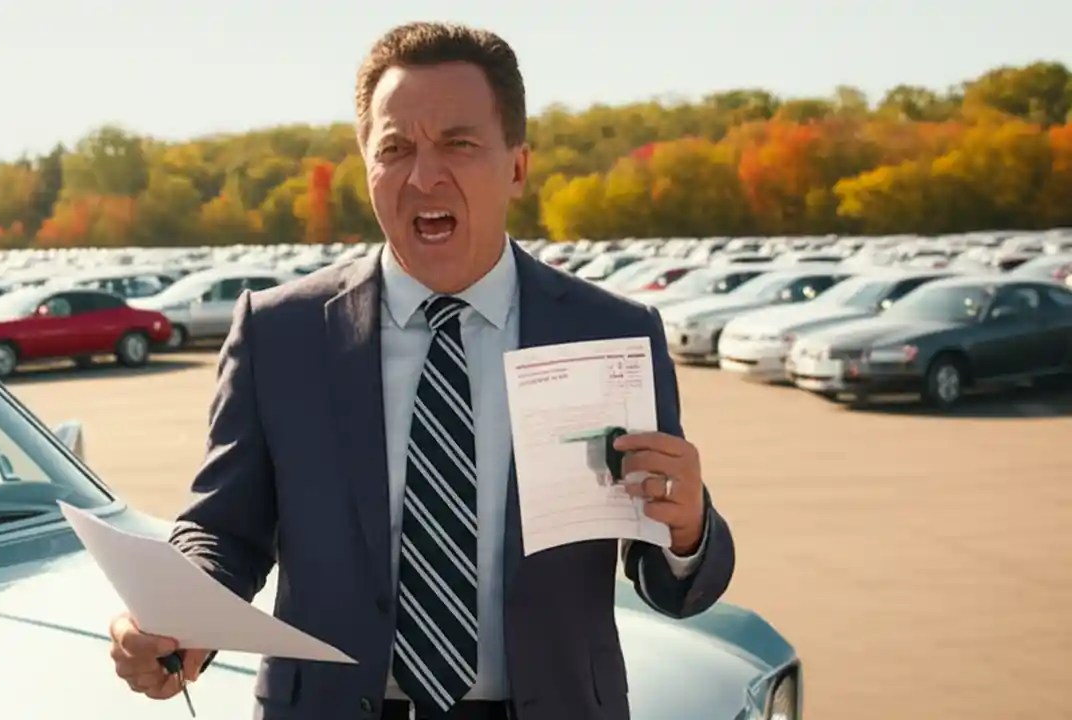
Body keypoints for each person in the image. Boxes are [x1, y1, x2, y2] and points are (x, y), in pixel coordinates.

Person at [108, 21, 734, 720]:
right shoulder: (281, 334)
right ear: (366, 164)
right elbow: (224, 530)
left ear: (517, 166)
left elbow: (671, 579)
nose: (423, 176)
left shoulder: (609, 334)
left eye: (458, 145)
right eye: (395, 149)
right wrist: (173, 614)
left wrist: (688, 532)